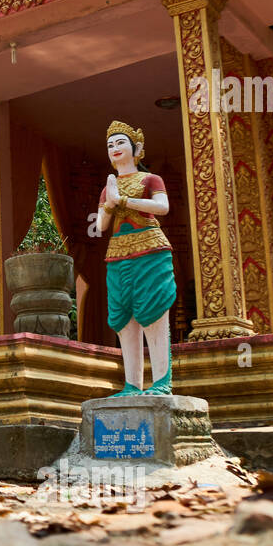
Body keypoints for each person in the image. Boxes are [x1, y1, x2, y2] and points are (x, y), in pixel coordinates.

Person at [96, 120, 177, 396]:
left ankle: (162, 382)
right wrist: (109, 204)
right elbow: (100, 227)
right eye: (110, 145)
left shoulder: (150, 179)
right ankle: (131, 384)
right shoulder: (108, 187)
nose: (115, 148)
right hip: (118, 254)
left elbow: (162, 207)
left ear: (135, 148)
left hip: (150, 250)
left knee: (153, 315)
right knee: (123, 320)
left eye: (120, 143)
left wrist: (126, 202)